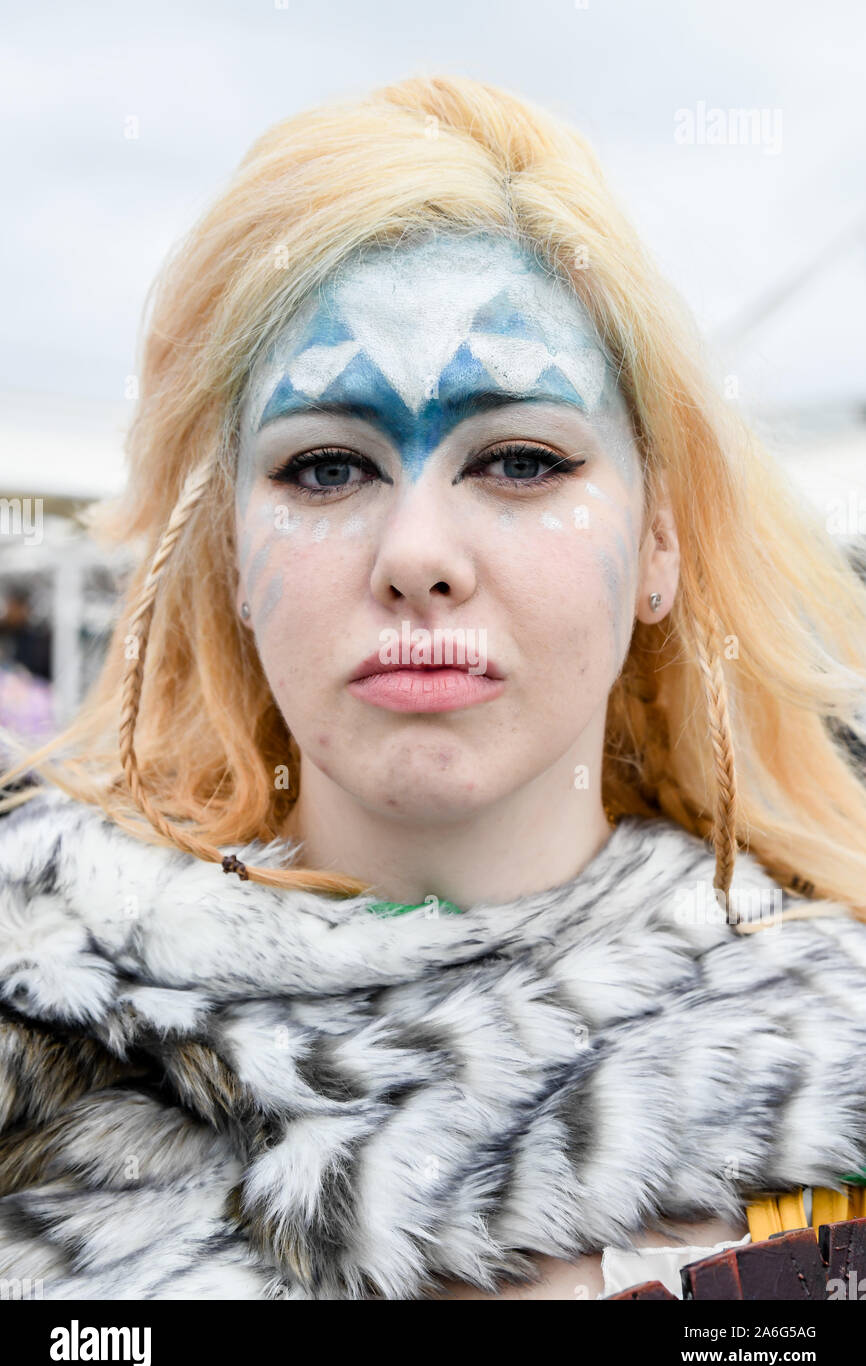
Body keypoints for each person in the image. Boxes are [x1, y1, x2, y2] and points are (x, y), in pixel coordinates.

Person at [1, 73, 865, 1302]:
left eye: (518, 458)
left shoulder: (831, 1080)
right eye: (324, 468)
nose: (415, 556)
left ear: (659, 541)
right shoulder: (37, 1021)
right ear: (230, 556)